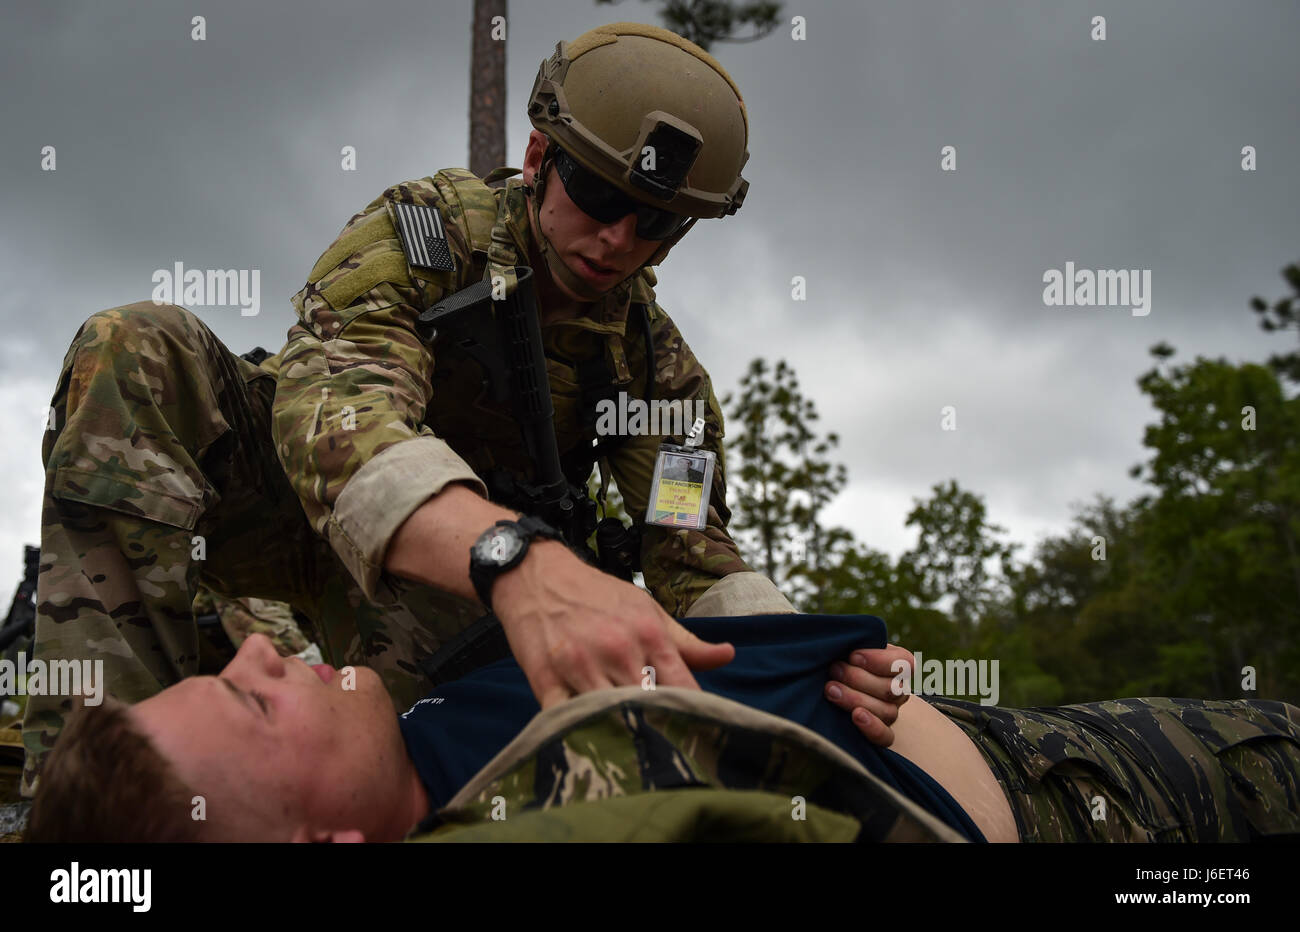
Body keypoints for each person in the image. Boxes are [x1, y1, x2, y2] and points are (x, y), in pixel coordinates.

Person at [21, 22, 797, 796]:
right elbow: (341, 416)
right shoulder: (425, 236)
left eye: (656, 222)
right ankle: (94, 799)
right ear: (538, 160)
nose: (618, 239)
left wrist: (813, 655)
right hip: (295, 505)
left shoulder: (658, 375)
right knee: (136, 348)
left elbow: (690, 551)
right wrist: (519, 562)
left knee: (445, 767)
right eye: (595, 193)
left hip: (444, 594)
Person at [26, 617, 1300, 843]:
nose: (260, 650)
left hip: (1051, 735)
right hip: (1122, 807)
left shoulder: (410, 716)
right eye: (251, 695)